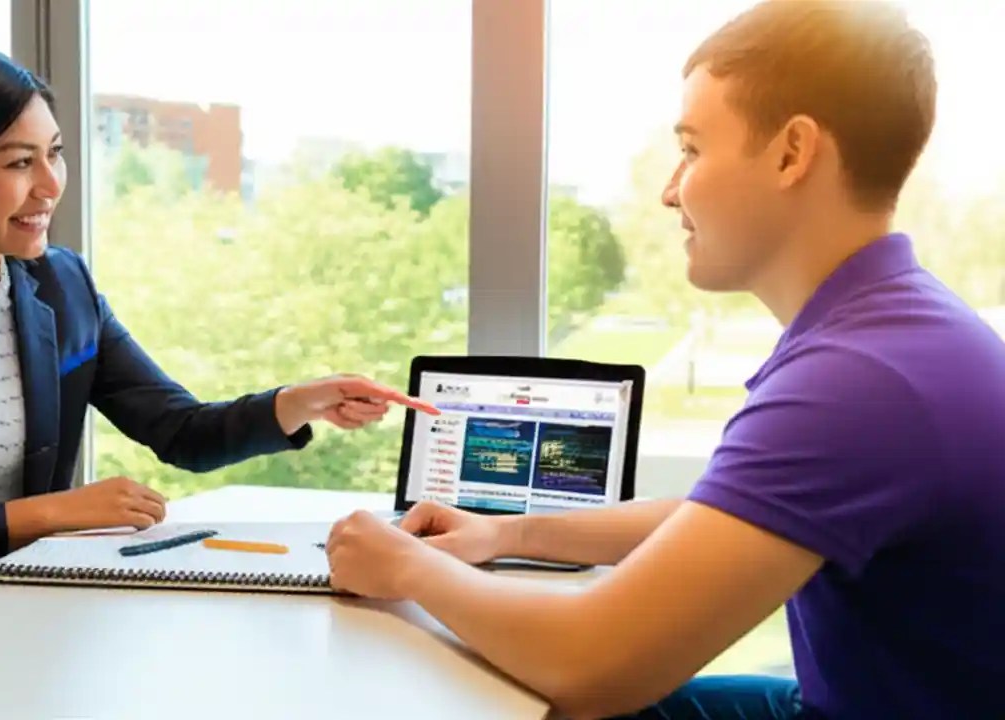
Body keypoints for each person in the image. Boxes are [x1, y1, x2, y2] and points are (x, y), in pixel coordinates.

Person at [326, 2, 1005, 718]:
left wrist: (408, 566)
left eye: (691, 148)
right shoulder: (889, 330)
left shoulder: (860, 380)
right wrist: (509, 534)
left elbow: (589, 665)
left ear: (791, 153)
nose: (669, 190)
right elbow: (733, 519)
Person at [0, 36, 436, 638]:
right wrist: (46, 515)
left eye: (56, 154)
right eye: (18, 162)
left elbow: (179, 430)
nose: (50, 185)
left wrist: (298, 402)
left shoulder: (59, 287)